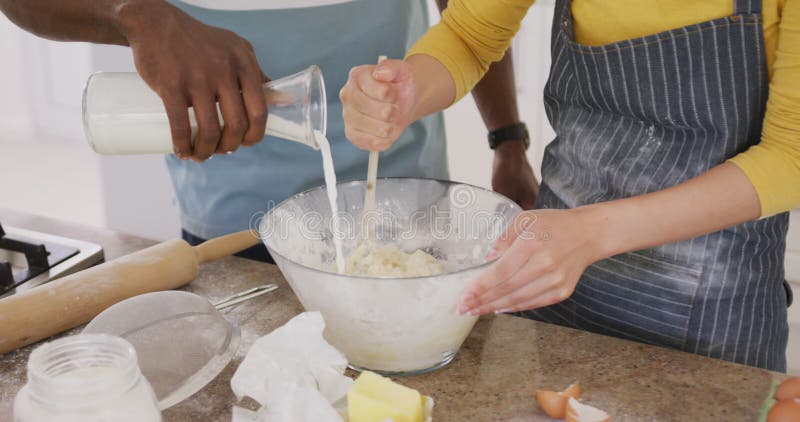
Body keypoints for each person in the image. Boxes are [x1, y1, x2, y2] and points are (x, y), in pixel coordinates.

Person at [340, 0, 800, 371]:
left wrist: (591, 233)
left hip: (709, 314)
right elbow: (469, 34)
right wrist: (408, 90)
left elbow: (792, 155)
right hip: (548, 287)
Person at [0, 0, 538, 262]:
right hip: (235, 219)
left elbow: (471, 22)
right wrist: (139, 16)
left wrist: (507, 140)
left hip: (404, 208)